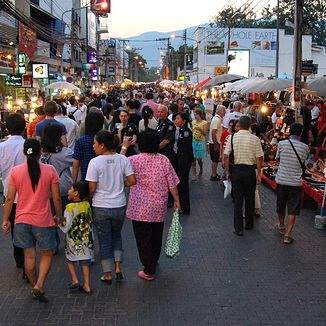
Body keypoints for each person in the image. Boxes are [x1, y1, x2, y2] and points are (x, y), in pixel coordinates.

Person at [2, 139, 62, 302]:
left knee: (28, 257)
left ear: (24, 153)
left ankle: (35, 284)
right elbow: (56, 198)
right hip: (43, 220)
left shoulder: (16, 171)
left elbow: (9, 199)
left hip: (21, 220)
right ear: (40, 152)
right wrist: (59, 215)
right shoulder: (50, 170)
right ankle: (39, 285)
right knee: (46, 253)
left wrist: (6, 219)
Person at [125, 129, 180, 281]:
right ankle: (153, 262)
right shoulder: (163, 160)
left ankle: (148, 269)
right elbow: (172, 183)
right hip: (158, 206)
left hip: (139, 207)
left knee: (142, 237)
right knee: (156, 236)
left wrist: (124, 146)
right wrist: (177, 200)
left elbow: (119, 164)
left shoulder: (133, 160)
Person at [86, 130, 136, 283]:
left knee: (104, 239)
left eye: (95, 143)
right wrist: (122, 184)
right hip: (119, 205)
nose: (93, 146)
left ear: (102, 145)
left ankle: (107, 273)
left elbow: (92, 188)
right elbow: (132, 180)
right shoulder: (122, 159)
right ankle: (118, 267)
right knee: (116, 235)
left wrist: (88, 198)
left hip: (101, 206)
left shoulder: (95, 162)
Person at [224, 116, 264, 236]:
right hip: (250, 171)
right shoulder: (255, 139)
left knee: (238, 200)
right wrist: (258, 174)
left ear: (239, 125)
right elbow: (259, 158)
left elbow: (226, 156)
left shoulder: (231, 138)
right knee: (250, 197)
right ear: (250, 125)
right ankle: (249, 223)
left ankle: (238, 228)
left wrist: (227, 172)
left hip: (236, 170)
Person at [274, 123, 309, 244]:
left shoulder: (282, 144)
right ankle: (288, 235)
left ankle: (281, 226)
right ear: (300, 133)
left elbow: (277, 159)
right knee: (293, 209)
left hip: (282, 180)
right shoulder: (305, 147)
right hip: (295, 182)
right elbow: (304, 162)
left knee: (281, 205)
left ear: (289, 131)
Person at [0, 114, 26, 270]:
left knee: (15, 227)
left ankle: (19, 257)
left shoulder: (2, 147)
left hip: (9, 193)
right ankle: (26, 254)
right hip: (28, 193)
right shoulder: (27, 146)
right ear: (24, 127)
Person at [59, 182, 94, 294]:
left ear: (75, 193)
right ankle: (87, 285)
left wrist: (58, 220)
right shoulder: (87, 205)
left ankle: (75, 280)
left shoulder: (69, 208)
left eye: (70, 188)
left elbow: (66, 226)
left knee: (70, 260)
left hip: (73, 241)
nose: (68, 190)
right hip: (87, 240)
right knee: (85, 263)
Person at [72, 111, 104, 182]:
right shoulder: (104, 140)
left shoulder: (81, 141)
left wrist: (74, 183)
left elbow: (76, 165)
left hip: (86, 177)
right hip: (103, 178)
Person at [174, 112, 194, 214]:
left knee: (183, 184)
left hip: (184, 160)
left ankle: (185, 207)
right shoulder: (181, 130)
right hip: (181, 159)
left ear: (184, 120)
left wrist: (191, 159)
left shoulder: (186, 131)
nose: (176, 120)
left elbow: (188, 147)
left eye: (178, 118)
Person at [208, 105, 226, 181]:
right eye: (224, 111)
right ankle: (213, 174)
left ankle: (214, 174)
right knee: (215, 160)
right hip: (215, 142)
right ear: (220, 111)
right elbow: (213, 132)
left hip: (215, 142)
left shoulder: (217, 119)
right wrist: (216, 144)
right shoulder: (217, 120)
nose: (225, 113)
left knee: (215, 160)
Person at [191, 109, 209, 180]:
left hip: (201, 142)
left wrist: (199, 129)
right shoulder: (193, 122)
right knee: (193, 159)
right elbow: (192, 131)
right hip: (194, 141)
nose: (195, 116)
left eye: (196, 114)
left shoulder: (204, 123)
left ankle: (201, 168)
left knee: (199, 159)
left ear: (200, 115)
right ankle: (194, 174)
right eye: (194, 114)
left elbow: (205, 133)